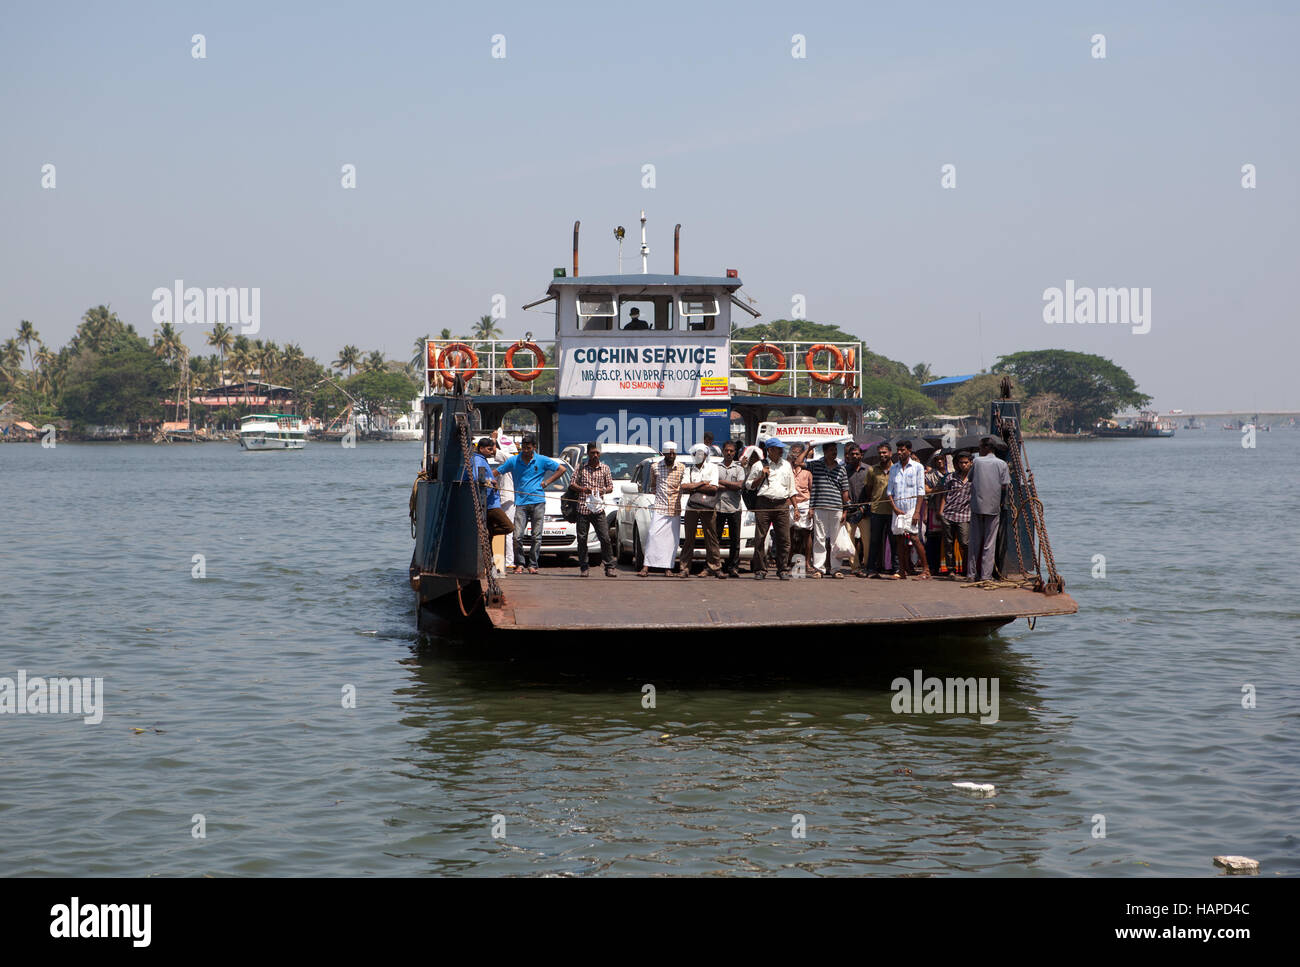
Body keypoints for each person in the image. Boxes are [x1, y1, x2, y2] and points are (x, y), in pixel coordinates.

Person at [493, 433, 567, 574]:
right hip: (520, 503)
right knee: (517, 536)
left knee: (536, 536)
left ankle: (533, 564)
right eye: (523, 448)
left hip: (538, 502)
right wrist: (486, 478)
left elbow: (561, 469)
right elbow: (497, 472)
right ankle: (520, 563)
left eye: (528, 448)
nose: (525, 451)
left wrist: (547, 482)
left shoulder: (542, 460)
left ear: (534, 447)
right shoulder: (513, 461)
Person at [746, 437, 795, 580]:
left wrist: (796, 507)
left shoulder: (786, 465)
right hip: (763, 503)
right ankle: (760, 569)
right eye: (778, 449)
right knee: (760, 538)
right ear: (770, 450)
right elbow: (749, 485)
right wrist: (761, 476)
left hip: (781, 504)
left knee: (784, 539)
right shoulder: (758, 465)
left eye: (781, 449)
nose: (781, 451)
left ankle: (783, 569)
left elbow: (791, 488)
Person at [638, 442, 685, 577]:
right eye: (669, 453)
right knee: (653, 536)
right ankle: (646, 567)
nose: (671, 455)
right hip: (659, 507)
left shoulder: (681, 468)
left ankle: (668, 568)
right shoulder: (655, 467)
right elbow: (653, 486)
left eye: (673, 453)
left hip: (675, 509)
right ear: (664, 454)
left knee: (671, 540)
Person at [967, 437, 1011, 580]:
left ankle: (971, 574)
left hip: (976, 507)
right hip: (993, 507)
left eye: (980, 448)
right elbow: (1005, 485)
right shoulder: (1002, 464)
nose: (979, 451)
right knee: (989, 543)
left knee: (974, 542)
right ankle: (986, 576)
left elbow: (970, 478)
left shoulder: (977, 462)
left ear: (986, 448)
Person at [572, 441, 617, 577]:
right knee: (582, 539)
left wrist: (602, 491)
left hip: (598, 510)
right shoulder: (581, 468)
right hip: (583, 509)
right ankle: (584, 567)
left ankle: (609, 566)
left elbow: (610, 487)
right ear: (588, 453)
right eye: (593, 453)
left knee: (605, 538)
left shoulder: (605, 468)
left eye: (597, 453)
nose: (595, 455)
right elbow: (572, 484)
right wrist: (583, 489)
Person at [885, 439, 929, 579]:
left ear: (909, 451)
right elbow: (889, 492)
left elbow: (921, 491)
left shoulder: (917, 467)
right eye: (898, 450)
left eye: (903, 450)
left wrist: (917, 512)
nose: (900, 452)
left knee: (915, 538)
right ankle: (902, 571)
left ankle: (926, 570)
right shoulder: (894, 468)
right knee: (899, 539)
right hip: (897, 509)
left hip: (912, 509)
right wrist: (895, 508)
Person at [679, 443, 723, 578]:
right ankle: (685, 568)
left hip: (708, 507)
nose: (699, 456)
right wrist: (702, 483)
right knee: (689, 538)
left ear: (706, 455)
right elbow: (684, 486)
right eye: (696, 454)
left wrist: (694, 487)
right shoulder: (689, 470)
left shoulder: (712, 468)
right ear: (693, 455)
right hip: (692, 507)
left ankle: (715, 566)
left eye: (701, 454)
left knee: (711, 538)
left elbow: (714, 488)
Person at [807, 440, 850, 577]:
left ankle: (836, 569)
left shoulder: (841, 468)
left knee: (835, 540)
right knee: (819, 539)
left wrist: (845, 510)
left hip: (836, 508)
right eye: (831, 450)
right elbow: (798, 462)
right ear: (825, 451)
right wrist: (808, 448)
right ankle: (819, 569)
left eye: (835, 450)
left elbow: (845, 492)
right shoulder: (816, 465)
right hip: (820, 507)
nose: (834, 453)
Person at [714, 440, 746, 577]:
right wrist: (730, 485)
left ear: (735, 453)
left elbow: (739, 486)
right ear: (723, 451)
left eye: (731, 451)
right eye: (726, 450)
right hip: (718, 507)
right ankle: (716, 566)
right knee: (716, 539)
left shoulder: (739, 468)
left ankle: (733, 567)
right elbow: (714, 485)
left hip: (734, 508)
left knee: (735, 540)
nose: (728, 453)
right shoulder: (716, 467)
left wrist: (722, 482)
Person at [939, 450, 972, 580]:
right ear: (957, 464)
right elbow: (944, 495)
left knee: (965, 543)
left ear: (971, 463)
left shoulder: (974, 478)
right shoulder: (950, 477)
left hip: (965, 515)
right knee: (949, 543)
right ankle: (951, 570)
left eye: (966, 462)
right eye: (961, 463)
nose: (963, 465)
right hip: (949, 514)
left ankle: (967, 569)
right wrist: (941, 512)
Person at [865, 443, 894, 577]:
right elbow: (868, 489)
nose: (882, 455)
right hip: (876, 510)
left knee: (894, 541)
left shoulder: (896, 468)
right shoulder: (872, 470)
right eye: (880, 453)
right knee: (875, 541)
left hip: (893, 510)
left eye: (884, 452)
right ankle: (871, 568)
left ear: (890, 453)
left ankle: (896, 568)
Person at [842, 444, 870, 575]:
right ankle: (855, 567)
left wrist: (865, 506)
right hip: (849, 511)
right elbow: (842, 490)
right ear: (848, 456)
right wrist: (846, 508)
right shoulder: (844, 470)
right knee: (849, 540)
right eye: (852, 454)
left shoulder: (868, 470)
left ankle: (868, 565)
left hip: (865, 511)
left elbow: (871, 490)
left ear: (861, 455)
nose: (854, 456)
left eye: (857, 454)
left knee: (867, 540)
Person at [788, 442, 813, 566]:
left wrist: (811, 508)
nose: (795, 455)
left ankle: (807, 562)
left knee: (806, 534)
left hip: (804, 504)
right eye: (793, 452)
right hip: (789, 505)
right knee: (789, 535)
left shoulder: (808, 471)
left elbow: (812, 490)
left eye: (798, 452)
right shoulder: (786, 469)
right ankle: (789, 561)